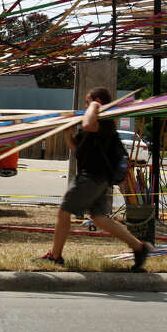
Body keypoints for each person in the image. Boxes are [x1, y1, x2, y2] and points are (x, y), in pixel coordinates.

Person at [36, 87, 154, 270]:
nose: (85, 106)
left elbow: (88, 125)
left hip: (92, 177)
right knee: (99, 218)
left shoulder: (105, 122)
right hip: (97, 178)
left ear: (97, 102)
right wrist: (66, 130)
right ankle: (139, 247)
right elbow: (75, 145)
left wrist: (93, 106)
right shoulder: (93, 120)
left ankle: (55, 256)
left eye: (87, 102)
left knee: (64, 211)